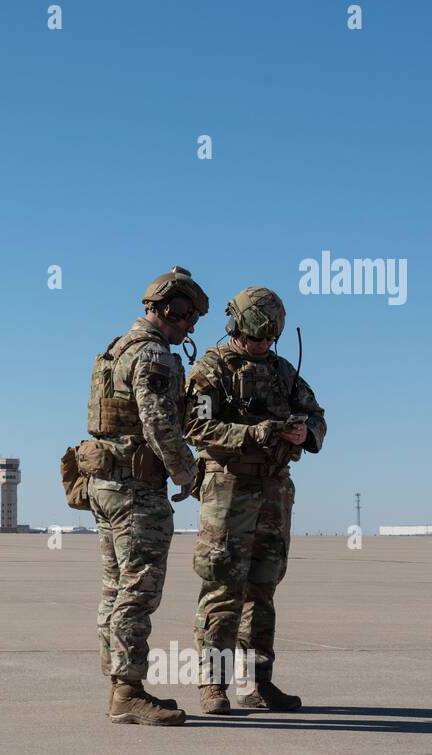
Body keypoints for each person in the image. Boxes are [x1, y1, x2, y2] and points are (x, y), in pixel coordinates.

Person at [183, 287, 327, 714]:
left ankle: (259, 684)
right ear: (236, 328)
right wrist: (253, 433)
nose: (262, 346)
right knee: (222, 588)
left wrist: (307, 433)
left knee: (263, 591)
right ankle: (213, 685)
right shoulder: (211, 369)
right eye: (255, 338)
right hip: (228, 490)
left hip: (275, 491)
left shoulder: (283, 371)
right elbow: (197, 427)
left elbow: (317, 415)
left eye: (269, 339)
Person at [84, 266, 208, 726]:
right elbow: (158, 423)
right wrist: (188, 472)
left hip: (106, 484)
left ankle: (119, 684)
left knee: (115, 589)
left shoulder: (117, 347)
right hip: (135, 490)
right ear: (173, 309)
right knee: (137, 592)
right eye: (190, 315)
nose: (192, 326)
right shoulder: (153, 355)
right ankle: (128, 692)